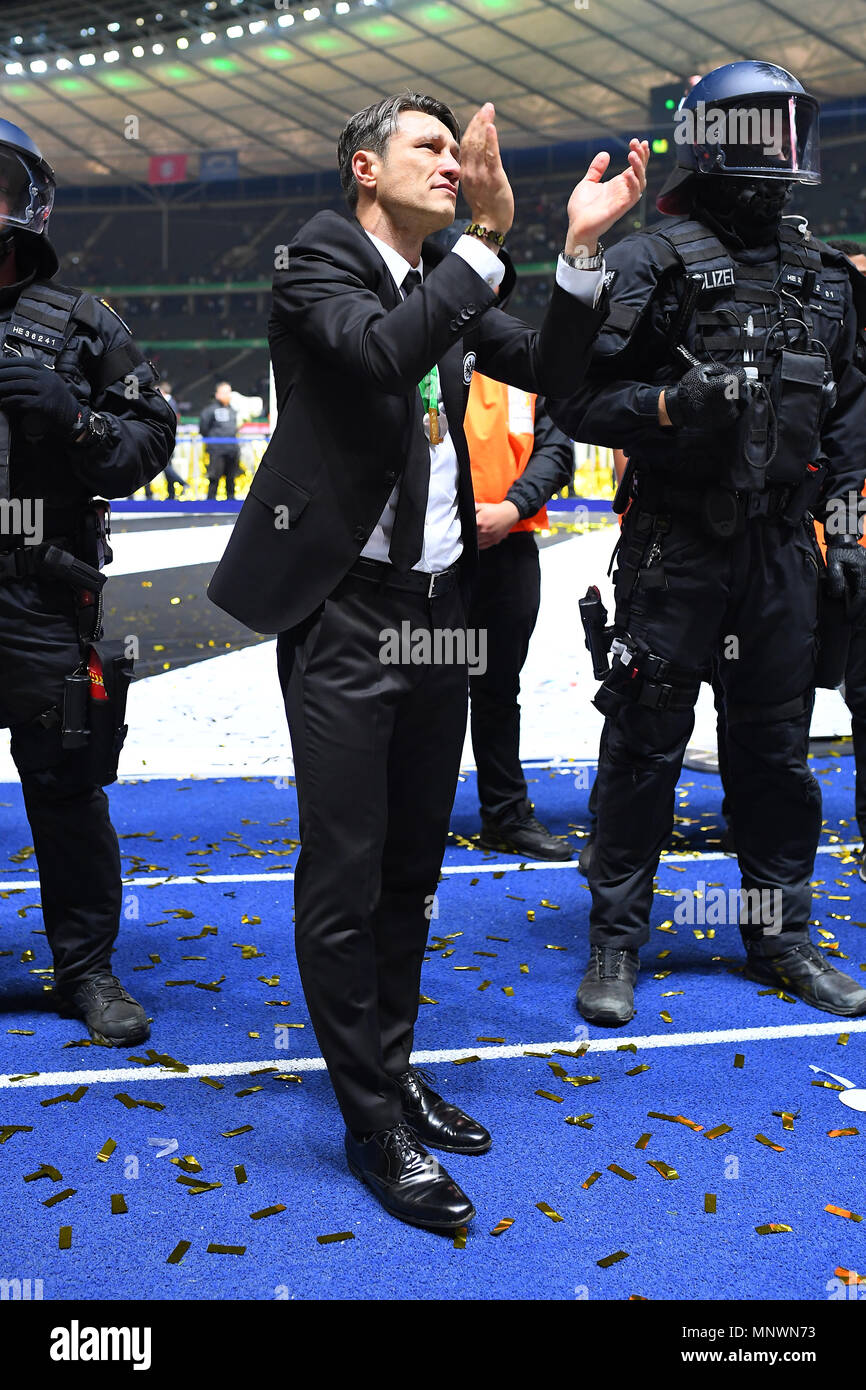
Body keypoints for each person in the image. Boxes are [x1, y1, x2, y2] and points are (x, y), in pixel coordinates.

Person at [209, 92, 649, 1230]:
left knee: (411, 866)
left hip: (439, 607)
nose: (453, 166)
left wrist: (578, 249)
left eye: (459, 152)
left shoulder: (443, 277)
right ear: (366, 167)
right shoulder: (320, 260)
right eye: (430, 149)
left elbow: (549, 363)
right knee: (346, 874)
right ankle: (370, 1125)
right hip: (346, 612)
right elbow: (379, 355)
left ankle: (391, 1069)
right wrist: (487, 243)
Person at [551, 62, 866, 1026]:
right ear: (711, 138)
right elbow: (575, 396)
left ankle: (778, 939)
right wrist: (666, 404)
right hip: (674, 546)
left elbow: (853, 416)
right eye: (756, 126)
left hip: (783, 553)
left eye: (788, 127)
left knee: (775, 758)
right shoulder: (650, 262)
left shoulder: (825, 271)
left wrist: (849, 530)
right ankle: (616, 943)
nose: (778, 147)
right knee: (644, 744)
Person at [0, 119, 177, 1043]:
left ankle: (86, 971)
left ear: (27, 201)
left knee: (67, 792)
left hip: (39, 596)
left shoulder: (85, 325)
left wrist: (74, 422)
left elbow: (153, 442)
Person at [465, 371, 577, 859]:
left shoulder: (526, 365)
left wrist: (513, 507)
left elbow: (556, 451)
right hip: (427, 550)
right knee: (420, 687)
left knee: (496, 688)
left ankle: (505, 817)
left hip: (507, 550)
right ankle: (404, 814)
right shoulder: (420, 349)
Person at [141, 380, 184, 499]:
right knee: (162, 465)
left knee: (163, 466)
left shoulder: (167, 403)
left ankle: (180, 483)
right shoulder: (171, 403)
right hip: (164, 440)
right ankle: (171, 492)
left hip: (163, 440)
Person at [199, 381, 240, 499]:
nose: (227, 395)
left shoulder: (233, 409)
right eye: (224, 392)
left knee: (231, 479)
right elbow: (203, 428)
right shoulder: (210, 410)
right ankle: (211, 503)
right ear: (217, 394)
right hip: (217, 450)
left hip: (232, 450)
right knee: (214, 478)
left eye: (229, 392)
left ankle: (231, 502)